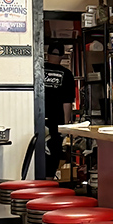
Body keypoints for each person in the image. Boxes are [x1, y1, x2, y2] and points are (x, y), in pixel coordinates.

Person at [44, 40, 75, 179]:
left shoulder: (38, 70)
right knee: (54, 151)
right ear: (62, 56)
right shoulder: (67, 74)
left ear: (47, 54)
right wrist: (66, 125)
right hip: (56, 120)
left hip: (36, 117)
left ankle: (36, 178)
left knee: (37, 149)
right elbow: (67, 103)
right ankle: (49, 181)